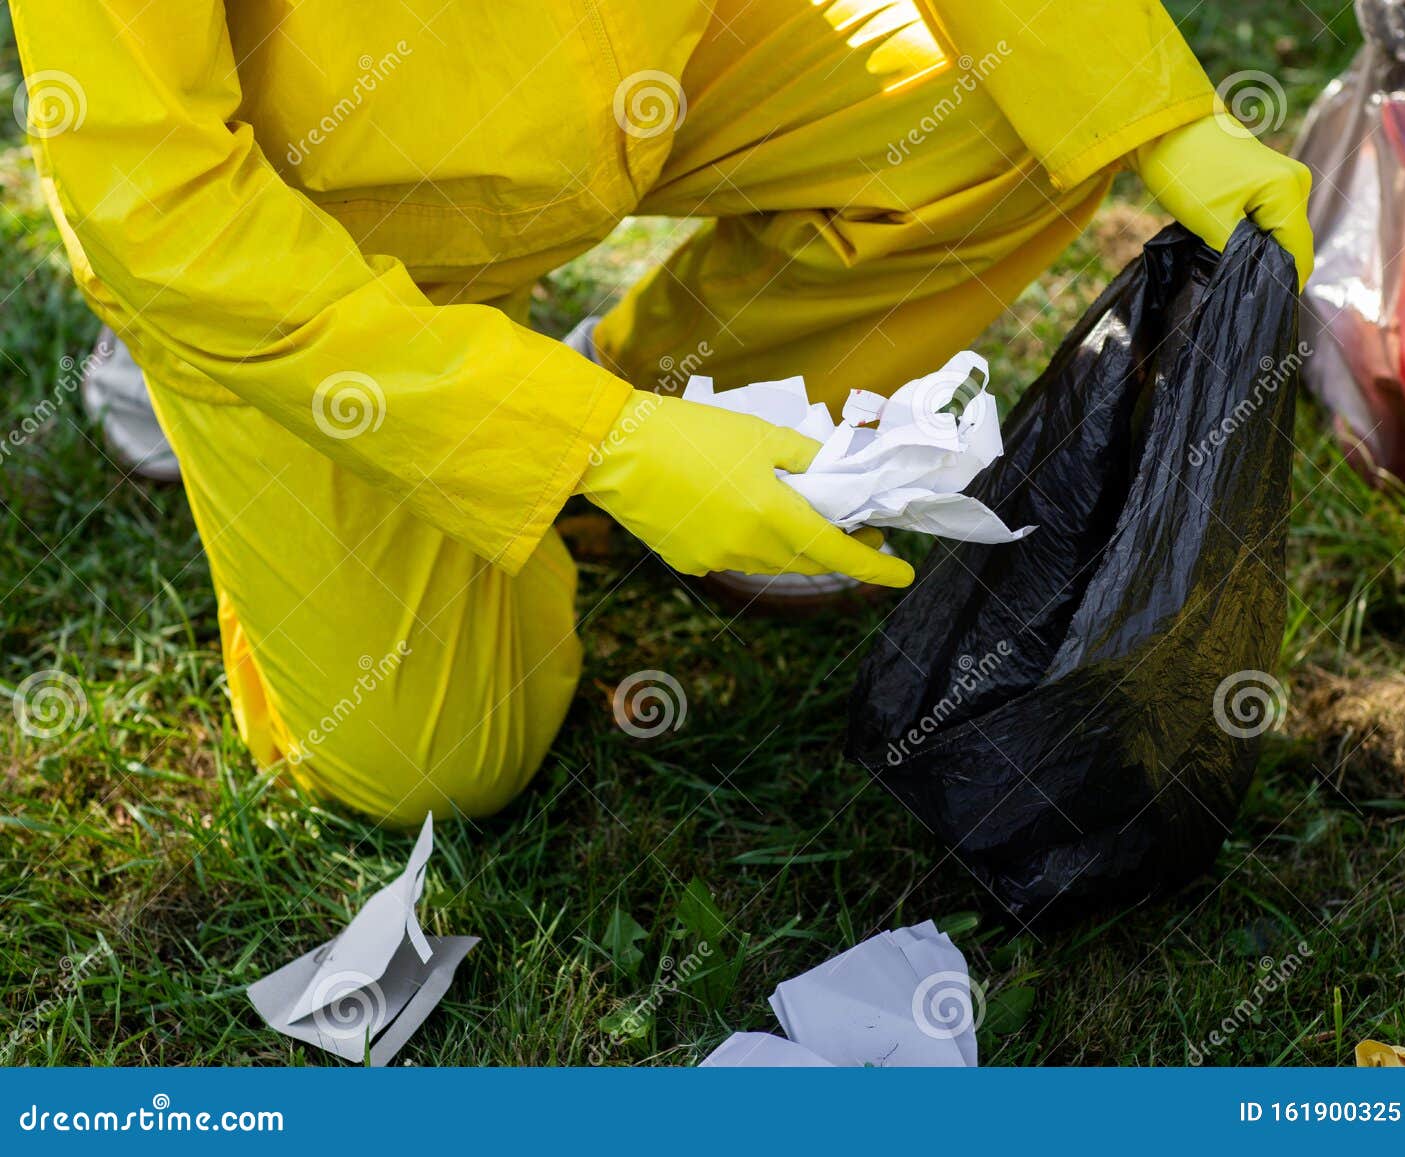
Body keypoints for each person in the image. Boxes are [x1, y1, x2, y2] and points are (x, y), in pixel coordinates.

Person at [13, 1, 1313, 826]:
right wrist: (580, 443)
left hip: (654, 62)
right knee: (434, 764)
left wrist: (1157, 115)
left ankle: (649, 399)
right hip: (304, 222)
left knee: (1030, 113)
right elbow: (157, 196)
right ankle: (291, 391)